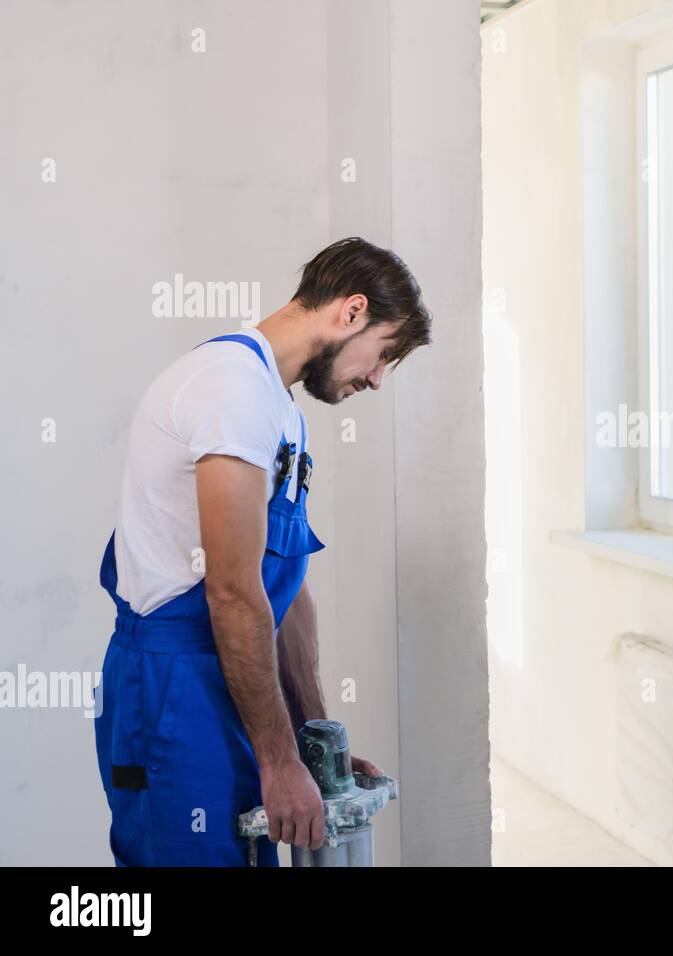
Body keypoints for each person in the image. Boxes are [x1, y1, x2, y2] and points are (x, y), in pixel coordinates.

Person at [94, 237, 432, 866]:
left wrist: (309, 738)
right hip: (177, 687)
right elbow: (229, 588)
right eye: (385, 353)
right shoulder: (230, 389)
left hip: (233, 684)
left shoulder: (279, 407)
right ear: (351, 311)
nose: (379, 379)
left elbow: (284, 587)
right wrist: (277, 762)